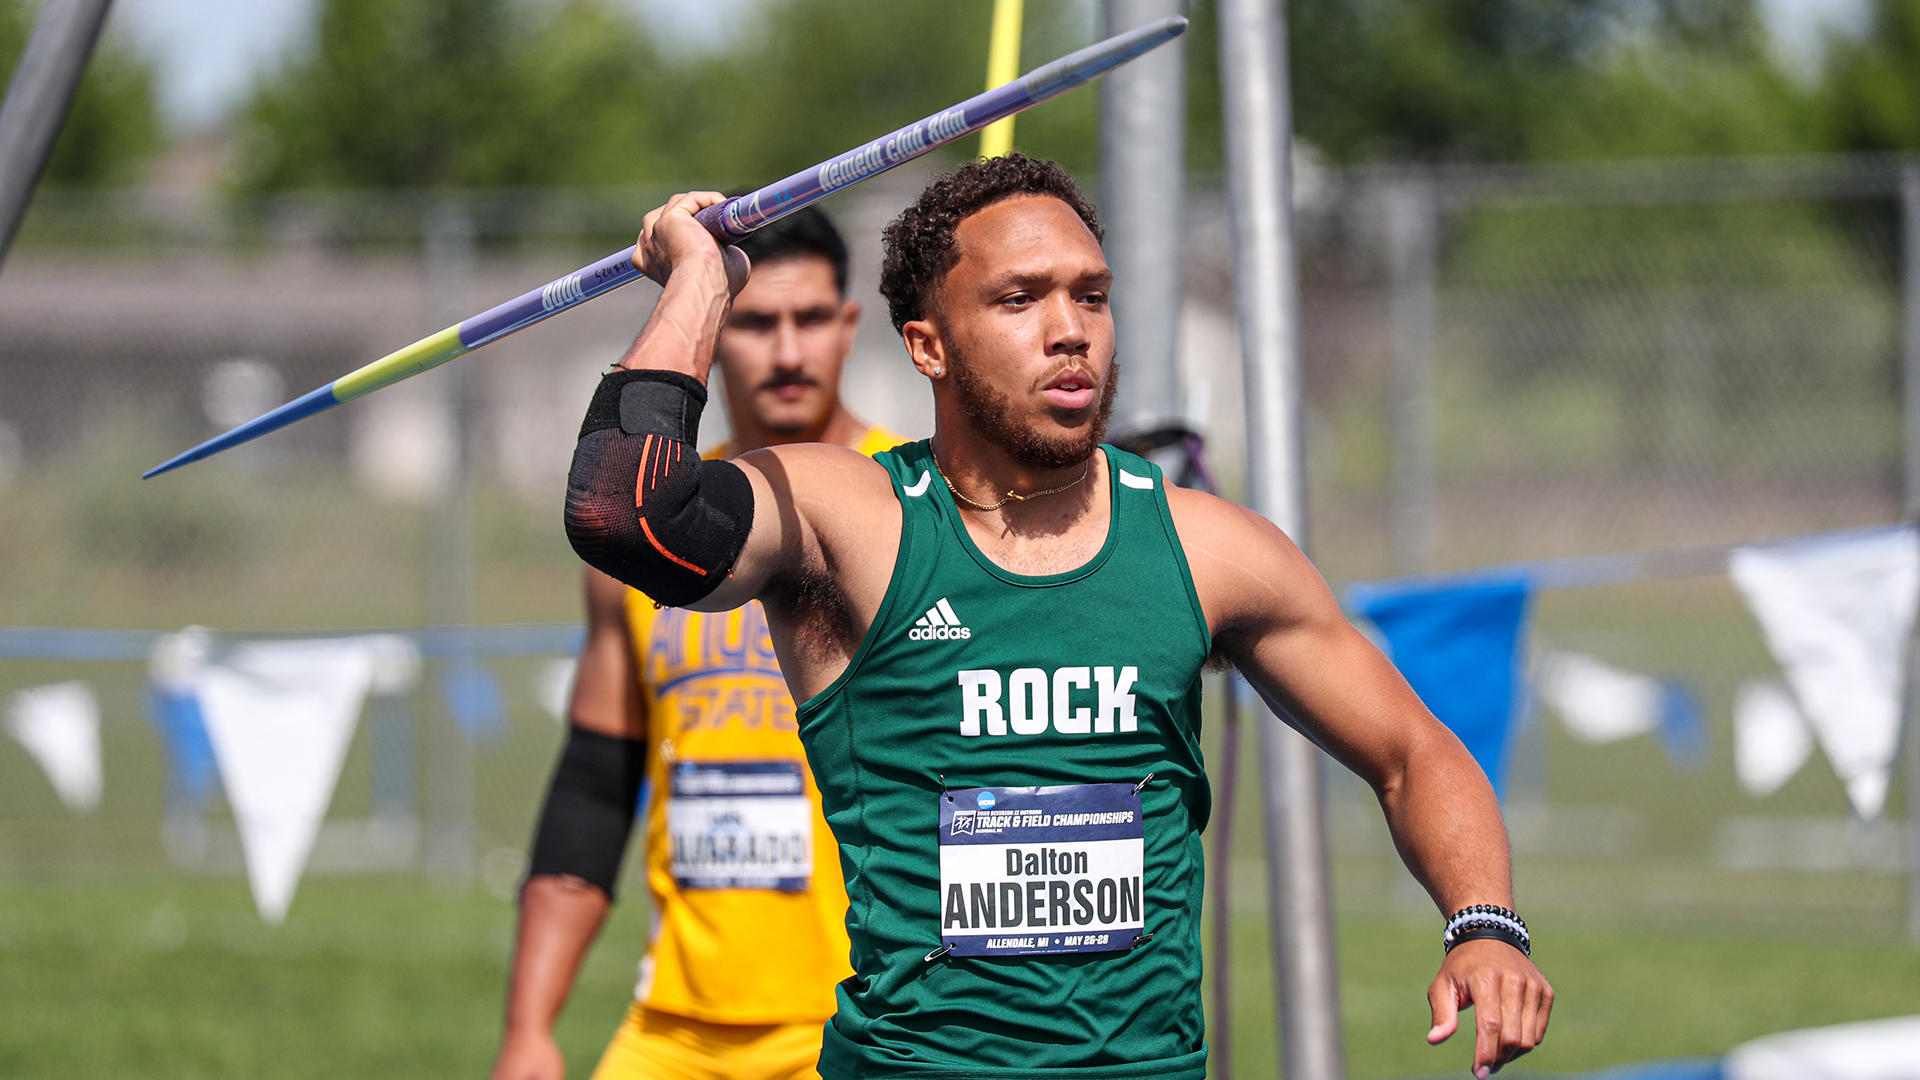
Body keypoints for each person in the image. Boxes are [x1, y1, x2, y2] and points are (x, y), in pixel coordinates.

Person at [563, 154, 1553, 1080]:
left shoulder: (1209, 549)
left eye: (1091, 294)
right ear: (928, 345)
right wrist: (700, 281)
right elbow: (625, 512)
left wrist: (1485, 924)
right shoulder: (852, 519)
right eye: (1019, 298)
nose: (1070, 328)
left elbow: (1413, 752)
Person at [492, 206, 903, 1080]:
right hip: (676, 1029)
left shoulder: (912, 504)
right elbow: (595, 784)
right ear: (715, 324)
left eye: (810, 319)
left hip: (861, 1022)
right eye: (756, 322)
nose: (787, 352)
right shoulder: (652, 531)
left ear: (849, 325)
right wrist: (529, 1029)